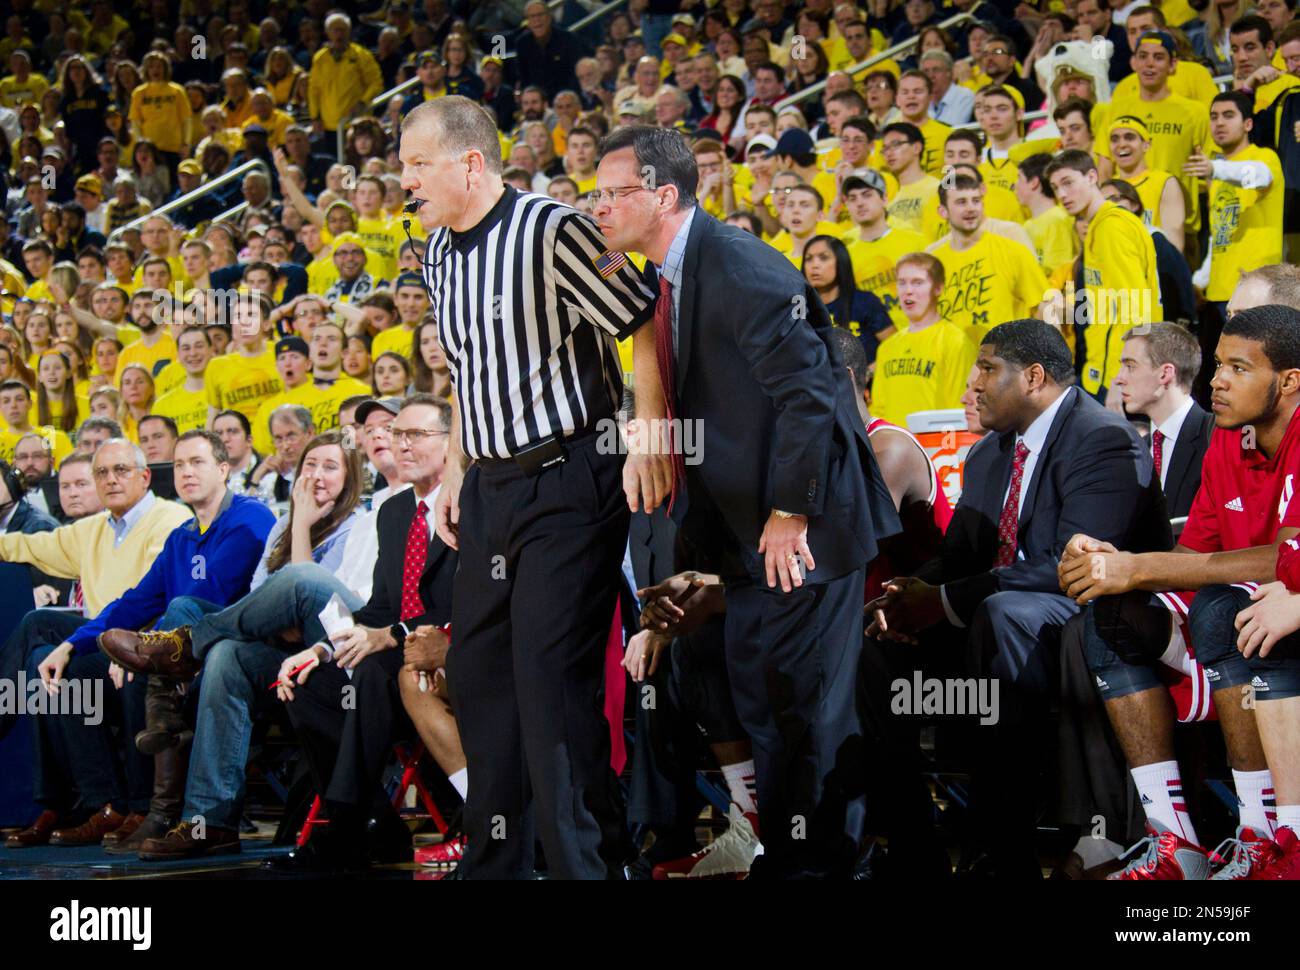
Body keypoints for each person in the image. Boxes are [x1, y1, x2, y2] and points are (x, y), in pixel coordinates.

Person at [597, 124, 898, 879]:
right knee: (767, 705)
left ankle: (824, 864)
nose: (598, 207)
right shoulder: (666, 274)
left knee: (806, 713)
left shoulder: (739, 267)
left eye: (613, 193)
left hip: (805, 527)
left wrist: (790, 514)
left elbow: (809, 399)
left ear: (663, 195)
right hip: (742, 535)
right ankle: (795, 856)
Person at [399, 97, 668, 881]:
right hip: (488, 489)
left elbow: (642, 319)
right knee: (479, 680)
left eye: (419, 164)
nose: (404, 179)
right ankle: (499, 863)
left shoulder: (555, 230)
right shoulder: (437, 251)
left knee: (550, 684)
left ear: (471, 163)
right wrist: (454, 470)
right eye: (403, 164)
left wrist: (648, 429)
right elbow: (467, 372)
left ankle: (593, 863)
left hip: (569, 477)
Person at [866, 320, 1172, 877]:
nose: (971, 387)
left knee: (1001, 614)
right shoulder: (989, 455)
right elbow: (959, 555)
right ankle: (912, 847)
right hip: (998, 617)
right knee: (876, 643)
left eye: (986, 369)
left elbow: (1073, 567)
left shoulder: (1103, 437)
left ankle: (1002, 846)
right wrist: (906, 596)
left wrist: (944, 599)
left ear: (1033, 377)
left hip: (1096, 622)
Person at [1060, 304, 1300, 879]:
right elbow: (1192, 559)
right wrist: (1117, 567)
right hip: (1251, 621)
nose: (1217, 381)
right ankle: (1176, 843)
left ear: (1289, 381)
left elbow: (1287, 560)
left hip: (1275, 616)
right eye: (1218, 365)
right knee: (1110, 618)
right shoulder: (1228, 439)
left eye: (1239, 369)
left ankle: (1264, 834)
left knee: (1227, 610)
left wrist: (1141, 567)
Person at [0, 440, 191, 849]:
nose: (110, 479)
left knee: (54, 663)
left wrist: (133, 645)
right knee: (40, 645)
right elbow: (30, 546)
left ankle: (120, 803)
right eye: (102, 473)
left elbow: (162, 597)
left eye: (120, 470)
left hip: (151, 643)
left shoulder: (169, 518)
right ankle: (87, 802)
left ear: (143, 476)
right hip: (101, 637)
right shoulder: (94, 528)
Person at [1045, 149, 1162, 406]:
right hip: (1103, 369)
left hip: (1114, 376)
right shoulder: (1101, 225)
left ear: (1091, 176)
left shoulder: (1111, 226)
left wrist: (1121, 379)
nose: (1062, 194)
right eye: (1055, 187)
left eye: (1068, 183)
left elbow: (1133, 308)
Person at [928, 173, 1049, 344]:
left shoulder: (1012, 251)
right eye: (961, 202)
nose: (971, 208)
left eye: (976, 201)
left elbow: (1043, 306)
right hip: (954, 363)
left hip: (1006, 362)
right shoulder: (933, 260)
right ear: (943, 211)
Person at [871, 253, 978, 428]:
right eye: (902, 282)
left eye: (918, 282)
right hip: (893, 448)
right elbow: (879, 410)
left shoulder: (955, 341)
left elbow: (960, 408)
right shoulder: (888, 347)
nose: (908, 291)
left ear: (938, 288)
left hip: (937, 448)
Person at [801, 234, 891, 366]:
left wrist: (866, 373)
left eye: (823, 258)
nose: (814, 265)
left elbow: (893, 348)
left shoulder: (865, 302)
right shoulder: (800, 309)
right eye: (808, 259)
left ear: (841, 261)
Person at [1108, 115, 1186, 253]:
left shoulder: (1164, 182)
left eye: (1129, 137)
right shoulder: (1106, 188)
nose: (1121, 144)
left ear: (1146, 145)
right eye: (1115, 139)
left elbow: (1175, 246)